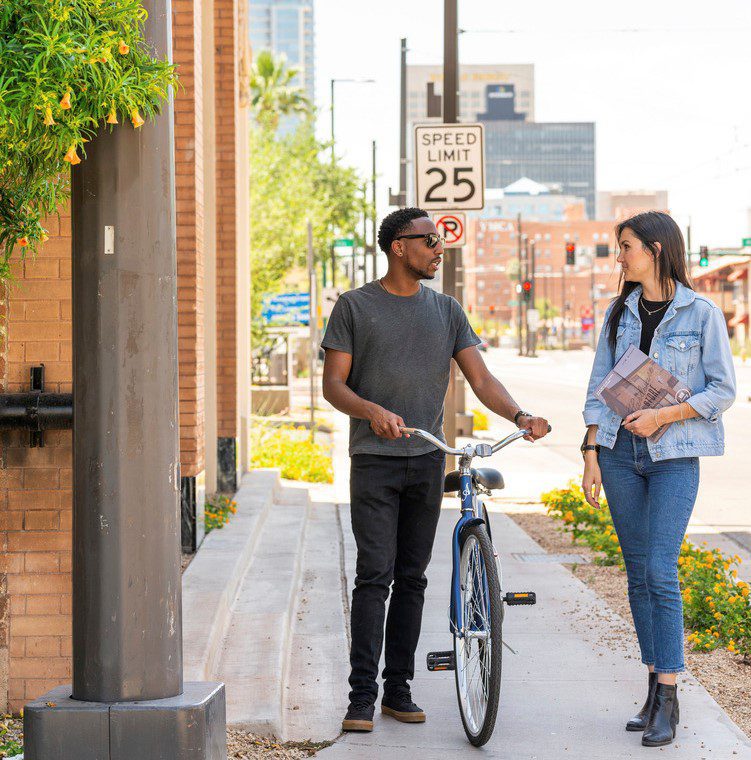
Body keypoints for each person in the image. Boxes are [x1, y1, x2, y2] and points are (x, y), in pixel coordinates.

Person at [321, 207, 549, 733]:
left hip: (426, 458)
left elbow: (481, 378)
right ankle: (361, 696)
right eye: (428, 240)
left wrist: (521, 415)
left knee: (413, 579)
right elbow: (334, 385)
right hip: (375, 462)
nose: (438, 248)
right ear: (398, 246)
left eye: (439, 239)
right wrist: (370, 411)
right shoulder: (355, 307)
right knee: (374, 575)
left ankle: (398, 689)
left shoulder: (446, 310)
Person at [582, 211, 736, 747]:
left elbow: (722, 390)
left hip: (673, 455)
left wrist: (663, 416)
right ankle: (652, 686)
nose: (618, 256)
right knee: (635, 572)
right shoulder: (619, 311)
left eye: (624, 247)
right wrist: (591, 452)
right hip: (622, 454)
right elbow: (600, 384)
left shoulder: (701, 312)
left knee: (659, 568)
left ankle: (669, 694)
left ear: (653, 248)